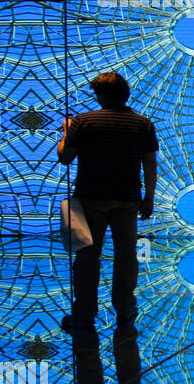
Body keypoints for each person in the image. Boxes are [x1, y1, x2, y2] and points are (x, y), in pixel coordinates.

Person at [57, 71, 157, 344]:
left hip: (91, 197)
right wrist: (149, 197)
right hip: (127, 198)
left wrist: (66, 131)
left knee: (87, 257)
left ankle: (85, 315)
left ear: (100, 96)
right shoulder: (143, 124)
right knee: (126, 257)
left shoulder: (83, 121)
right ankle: (125, 311)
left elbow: (65, 157)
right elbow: (149, 163)